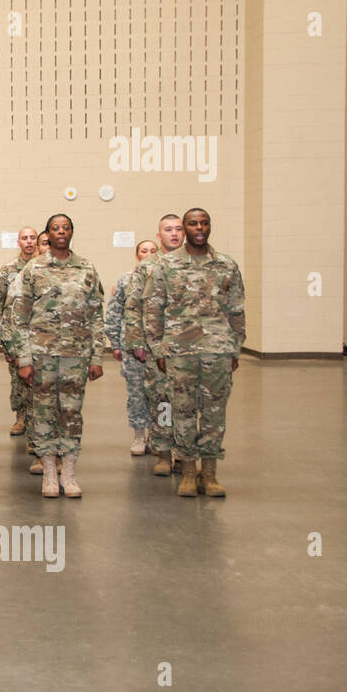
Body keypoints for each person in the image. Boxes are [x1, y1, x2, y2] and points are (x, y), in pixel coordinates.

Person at [144, 208, 246, 497]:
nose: (199, 227)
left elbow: (237, 309)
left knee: (215, 413)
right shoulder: (166, 265)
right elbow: (153, 308)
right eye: (193, 223)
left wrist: (235, 346)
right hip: (180, 352)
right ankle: (188, 470)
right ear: (185, 228)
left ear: (209, 226)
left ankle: (210, 473)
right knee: (184, 412)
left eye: (204, 223)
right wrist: (157, 347)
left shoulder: (226, 265)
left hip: (218, 350)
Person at [13, 215, 104, 498]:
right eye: (55, 228)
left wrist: (97, 356)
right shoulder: (34, 268)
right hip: (43, 356)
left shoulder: (86, 268)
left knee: (71, 413)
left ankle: (70, 473)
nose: (61, 232)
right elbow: (20, 316)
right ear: (48, 235)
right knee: (43, 413)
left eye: (65, 228)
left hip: (76, 356)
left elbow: (96, 315)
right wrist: (24, 359)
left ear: (72, 232)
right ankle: (50, 474)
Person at [123, 214, 186, 476]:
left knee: (187, 403)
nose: (174, 234)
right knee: (162, 401)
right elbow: (133, 305)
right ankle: (163, 452)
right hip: (156, 346)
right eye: (168, 230)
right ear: (158, 235)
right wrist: (136, 341)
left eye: (178, 229)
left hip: (188, 346)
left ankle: (185, 453)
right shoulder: (147, 267)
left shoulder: (194, 265)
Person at [105, 239, 159, 456]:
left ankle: (159, 437)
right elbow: (114, 313)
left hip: (159, 349)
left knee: (162, 397)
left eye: (153, 250)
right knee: (137, 393)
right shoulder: (125, 280)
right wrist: (115, 343)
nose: (148, 254)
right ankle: (139, 435)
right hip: (132, 347)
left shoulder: (166, 277)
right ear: (137, 256)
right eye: (144, 251)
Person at [0, 226, 39, 439]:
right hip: (14, 333)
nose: (29, 242)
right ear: (18, 242)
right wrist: (4, 337)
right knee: (18, 381)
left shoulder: (42, 267)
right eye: (25, 238)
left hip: (39, 335)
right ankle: (21, 417)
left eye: (33, 238)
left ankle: (35, 422)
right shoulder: (8, 269)